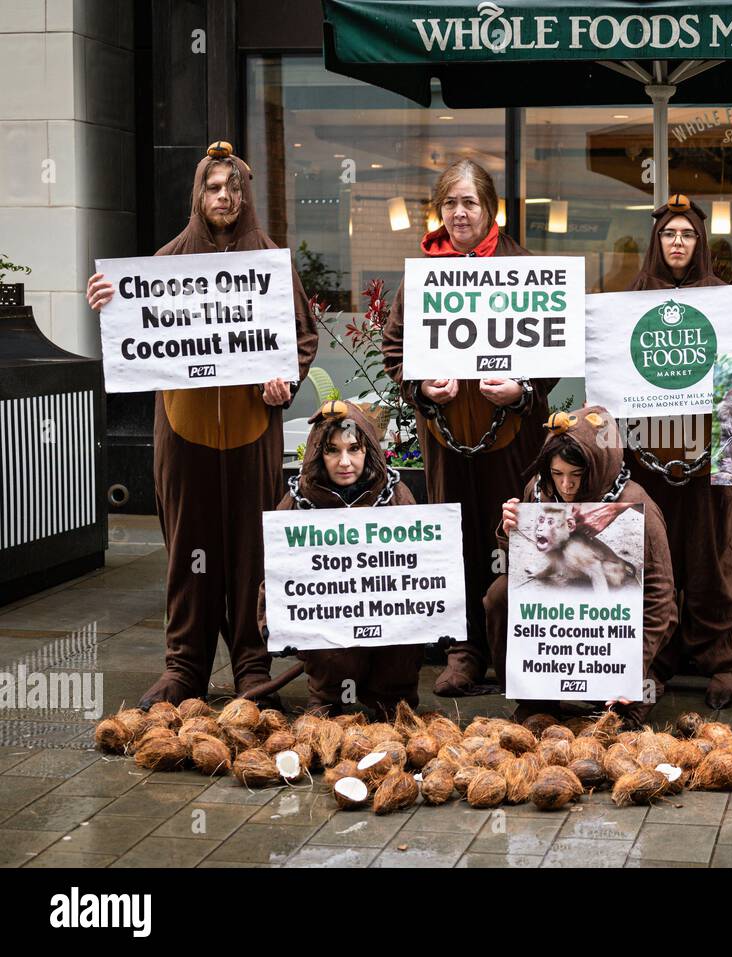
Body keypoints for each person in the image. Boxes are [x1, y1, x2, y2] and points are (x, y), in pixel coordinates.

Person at [86, 142, 318, 708]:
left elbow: (301, 337)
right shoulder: (164, 264)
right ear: (199, 194)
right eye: (214, 188)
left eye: (234, 188)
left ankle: (250, 666)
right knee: (188, 545)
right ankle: (184, 665)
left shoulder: (271, 260)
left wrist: (284, 378)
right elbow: (140, 327)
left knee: (249, 548)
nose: (225, 197)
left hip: (250, 433)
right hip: (183, 431)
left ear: (246, 195)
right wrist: (110, 302)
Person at [381, 159, 556, 696]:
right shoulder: (422, 275)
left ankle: (519, 650)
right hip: (445, 437)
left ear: (490, 209)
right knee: (456, 541)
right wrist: (419, 387)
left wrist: (523, 389)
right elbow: (394, 348)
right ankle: (464, 652)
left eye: (470, 203)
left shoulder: (523, 268)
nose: (460, 213)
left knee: (514, 535)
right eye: (450, 203)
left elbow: (551, 348)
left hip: (511, 436)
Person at [622, 194, 732, 709]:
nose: (678, 242)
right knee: (655, 557)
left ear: (700, 243)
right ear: (658, 241)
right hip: (648, 453)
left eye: (687, 234)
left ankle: (724, 662)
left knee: (713, 557)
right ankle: (655, 659)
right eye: (669, 234)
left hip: (710, 453)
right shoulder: (631, 300)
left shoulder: (723, 299)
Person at [483, 406, 677, 726]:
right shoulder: (537, 489)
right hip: (567, 601)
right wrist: (509, 534)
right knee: (499, 595)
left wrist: (633, 667)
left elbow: (659, 594)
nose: (566, 486)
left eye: (576, 475)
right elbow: (519, 570)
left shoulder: (637, 502)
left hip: (617, 608)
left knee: (620, 713)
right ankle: (535, 699)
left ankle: (639, 688)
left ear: (597, 465)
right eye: (558, 474)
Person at [256, 401, 424, 717]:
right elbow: (279, 572)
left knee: (403, 641)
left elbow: (425, 567)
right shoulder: (296, 503)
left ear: (368, 451)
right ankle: (329, 697)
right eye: (333, 451)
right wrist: (273, 621)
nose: (344, 462)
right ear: (319, 453)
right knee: (332, 650)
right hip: (329, 622)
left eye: (354, 449)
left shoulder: (396, 495)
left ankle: (392, 701)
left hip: (385, 615)